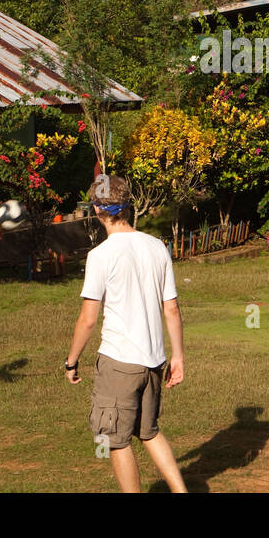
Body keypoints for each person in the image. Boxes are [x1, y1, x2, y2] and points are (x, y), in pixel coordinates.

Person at [65, 175, 187, 492]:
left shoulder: (100, 256)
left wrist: (71, 361)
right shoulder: (157, 247)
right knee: (149, 432)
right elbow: (171, 308)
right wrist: (179, 357)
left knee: (114, 439)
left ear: (96, 209)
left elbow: (88, 320)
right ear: (128, 206)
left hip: (119, 364)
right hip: (153, 363)